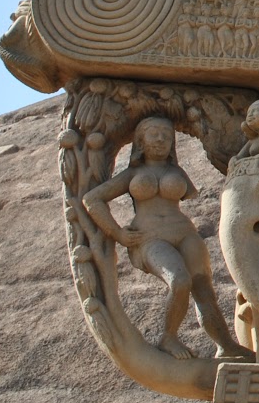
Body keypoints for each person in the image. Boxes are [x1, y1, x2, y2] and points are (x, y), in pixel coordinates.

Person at [82, 118, 248, 360]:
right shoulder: (133, 173)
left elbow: (192, 193)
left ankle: (225, 345)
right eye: (154, 134)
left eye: (166, 135)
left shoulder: (176, 171)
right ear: (140, 141)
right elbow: (92, 200)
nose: (161, 139)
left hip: (184, 232)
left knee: (203, 288)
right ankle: (168, 337)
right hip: (149, 236)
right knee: (179, 280)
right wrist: (117, 232)